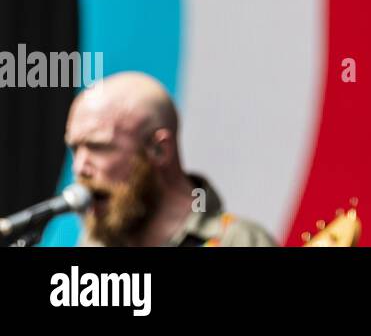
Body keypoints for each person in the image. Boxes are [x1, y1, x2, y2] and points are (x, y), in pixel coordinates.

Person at [64, 71, 278, 246]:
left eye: (99, 147)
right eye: (75, 149)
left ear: (159, 150)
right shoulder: (93, 244)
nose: (79, 167)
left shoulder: (241, 242)